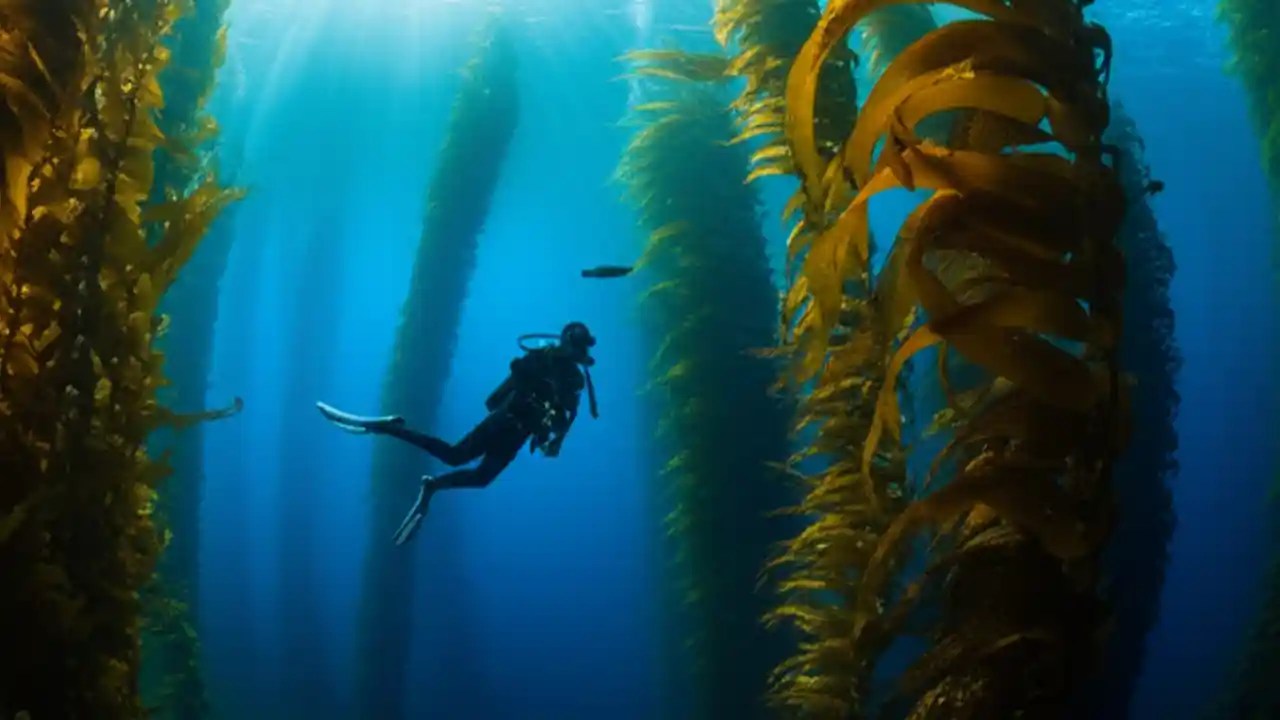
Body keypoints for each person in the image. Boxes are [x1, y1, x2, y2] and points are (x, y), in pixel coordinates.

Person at [316, 321, 599, 546]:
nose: (579, 353)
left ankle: (433, 485)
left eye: (582, 348)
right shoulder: (540, 359)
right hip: (505, 420)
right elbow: (498, 395)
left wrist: (554, 439)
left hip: (519, 435)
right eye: (577, 346)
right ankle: (389, 427)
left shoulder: (574, 380)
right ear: (566, 342)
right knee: (454, 455)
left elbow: (564, 418)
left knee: (482, 478)